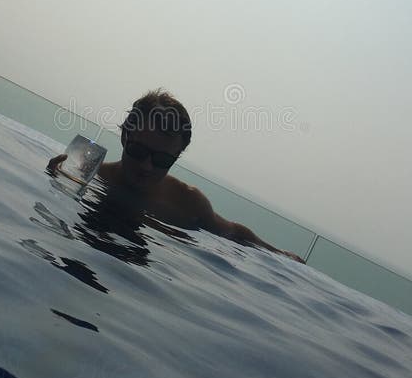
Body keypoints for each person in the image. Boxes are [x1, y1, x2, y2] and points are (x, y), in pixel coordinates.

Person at [47, 89, 304, 263]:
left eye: (161, 160)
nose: (147, 166)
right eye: (139, 151)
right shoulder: (88, 172)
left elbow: (233, 232)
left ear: (176, 156)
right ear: (125, 137)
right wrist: (54, 178)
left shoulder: (188, 202)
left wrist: (278, 253)